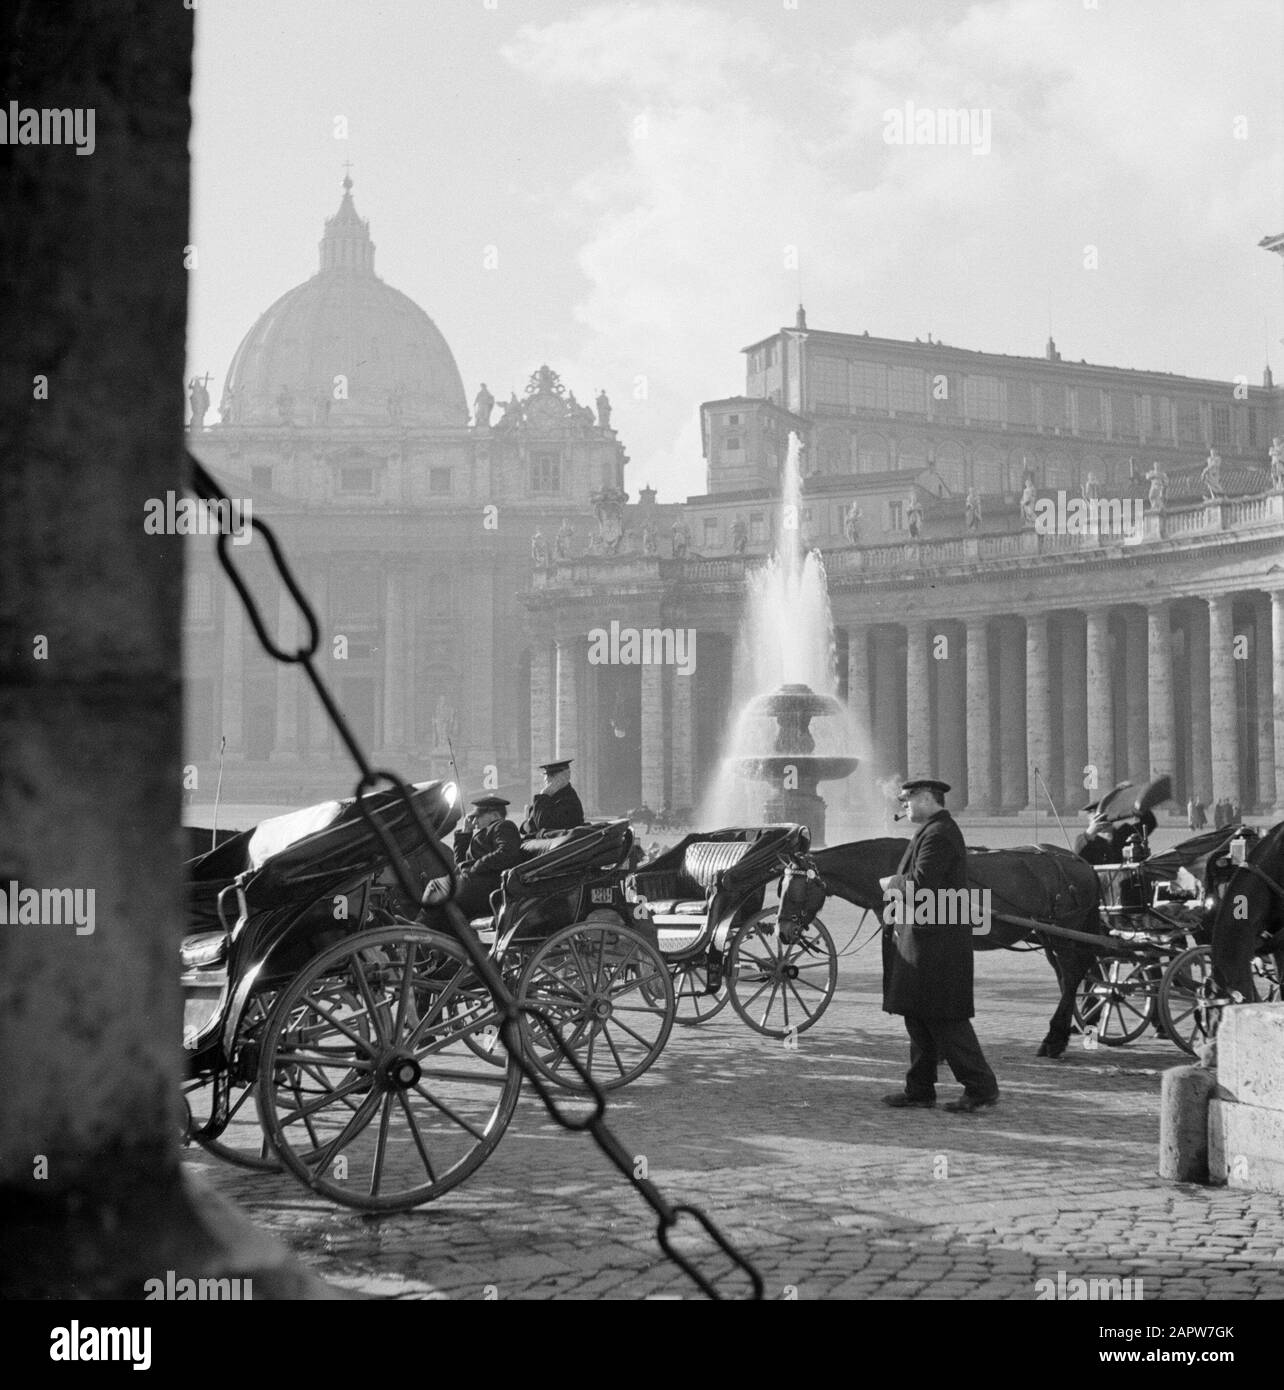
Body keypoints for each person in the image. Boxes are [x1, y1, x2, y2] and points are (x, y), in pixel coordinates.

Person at [881, 776, 999, 1114]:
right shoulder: (930, 831)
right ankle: (919, 1090)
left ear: (929, 799)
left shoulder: (940, 833)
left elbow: (922, 884)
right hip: (925, 936)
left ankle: (981, 1088)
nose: (903, 804)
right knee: (918, 1017)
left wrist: (891, 883)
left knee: (946, 1020)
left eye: (908, 798)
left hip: (938, 943)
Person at [421, 795, 524, 921]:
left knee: (435, 886)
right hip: (476, 883)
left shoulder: (503, 825)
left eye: (477, 817)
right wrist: (466, 832)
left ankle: (418, 927)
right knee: (442, 908)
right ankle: (424, 928)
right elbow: (460, 862)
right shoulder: (486, 832)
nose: (474, 822)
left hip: (488, 885)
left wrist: (476, 867)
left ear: (495, 815)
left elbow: (507, 852)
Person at [1074, 787, 1157, 865]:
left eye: (1105, 812)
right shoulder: (1085, 840)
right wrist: (1090, 833)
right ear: (1089, 818)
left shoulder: (1126, 833)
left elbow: (1150, 821)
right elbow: (1078, 860)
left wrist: (1132, 800)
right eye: (1095, 814)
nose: (1102, 818)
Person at [521, 758, 584, 834]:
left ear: (566, 775)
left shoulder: (568, 800)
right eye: (546, 775)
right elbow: (524, 828)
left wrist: (543, 795)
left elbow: (542, 825)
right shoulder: (550, 797)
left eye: (552, 775)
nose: (546, 779)